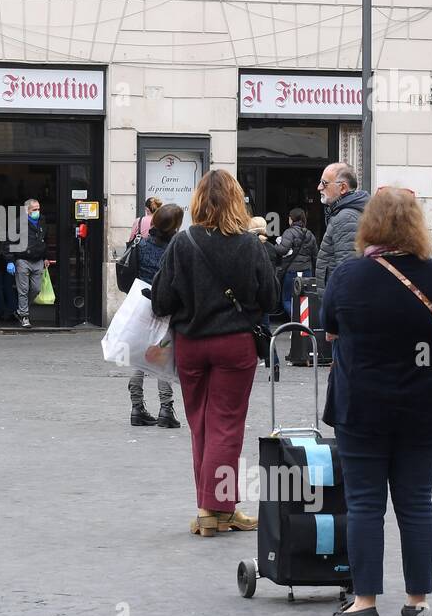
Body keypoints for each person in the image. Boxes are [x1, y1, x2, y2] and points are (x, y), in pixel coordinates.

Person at [322, 187, 432, 616]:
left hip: (361, 406)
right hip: (422, 406)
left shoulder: (348, 275)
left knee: (364, 504)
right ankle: (417, 601)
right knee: (417, 503)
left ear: (370, 225)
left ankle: (365, 602)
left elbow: (330, 329)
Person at [149, 170, 278, 537]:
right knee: (226, 424)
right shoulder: (250, 244)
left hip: (191, 343)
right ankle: (214, 508)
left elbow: (161, 300)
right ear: (236, 201)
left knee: (201, 424)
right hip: (233, 344)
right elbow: (270, 297)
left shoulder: (183, 242)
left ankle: (217, 508)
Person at [128, 203, 184, 429]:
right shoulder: (175, 248)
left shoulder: (141, 243)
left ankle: (136, 407)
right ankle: (165, 410)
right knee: (161, 358)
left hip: (141, 303)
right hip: (164, 305)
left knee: (139, 356)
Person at [314, 163, 369, 283]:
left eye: (324, 183)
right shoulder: (344, 213)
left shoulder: (345, 217)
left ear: (343, 188)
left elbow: (348, 272)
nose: (319, 187)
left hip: (339, 298)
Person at [2, 197, 48, 329]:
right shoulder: (17, 224)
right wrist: (10, 261)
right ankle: (24, 317)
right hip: (22, 260)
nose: (37, 211)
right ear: (27, 211)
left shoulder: (42, 222)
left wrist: (45, 257)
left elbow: (45, 240)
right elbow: (7, 243)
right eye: (35, 209)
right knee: (23, 290)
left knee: (36, 288)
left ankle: (20, 310)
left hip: (38, 260)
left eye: (38, 209)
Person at [273, 207, 317, 320]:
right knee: (304, 299)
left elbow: (282, 250)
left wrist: (277, 244)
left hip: (291, 271)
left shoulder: (289, 232)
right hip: (307, 270)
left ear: (291, 219)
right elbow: (315, 255)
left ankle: (296, 319)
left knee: (287, 299)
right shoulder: (310, 234)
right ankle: (303, 321)